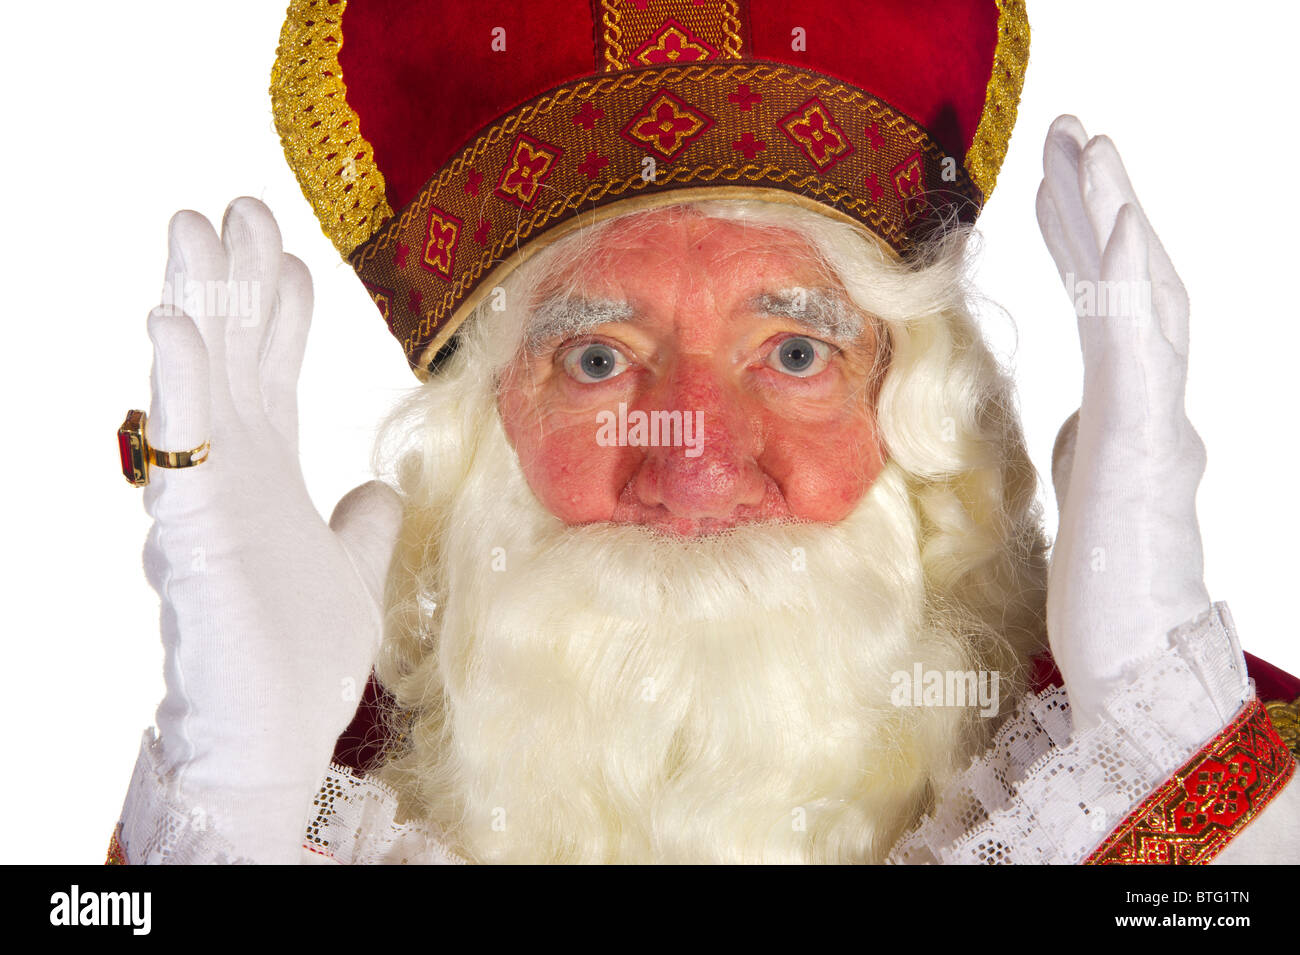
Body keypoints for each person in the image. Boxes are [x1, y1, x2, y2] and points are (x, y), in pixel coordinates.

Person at [110, 0, 1298, 865]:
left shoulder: (1161, 746)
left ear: (919, 410)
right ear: (485, 436)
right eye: (596, 359)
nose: (696, 465)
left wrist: (1163, 739)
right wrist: (233, 803)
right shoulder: (308, 804)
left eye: (792, 354)